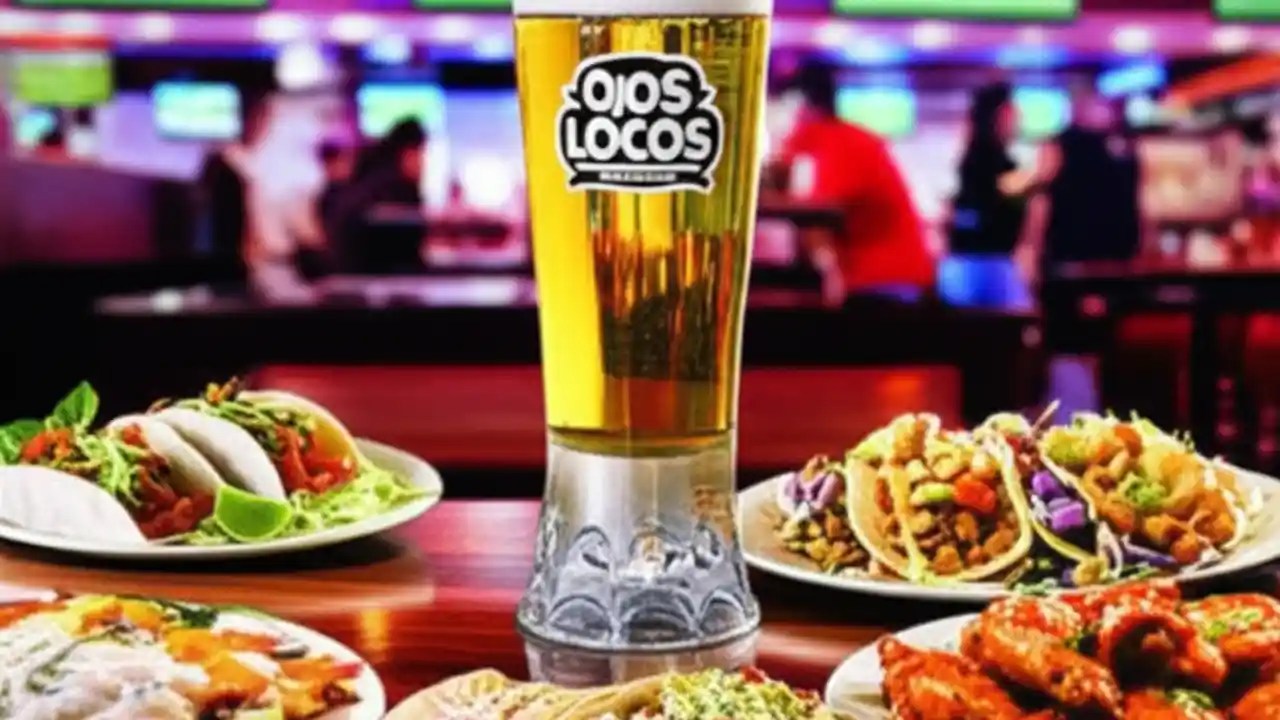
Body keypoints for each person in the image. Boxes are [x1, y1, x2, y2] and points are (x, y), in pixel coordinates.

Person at [774, 61, 934, 307]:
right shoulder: (834, 142)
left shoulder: (839, 144)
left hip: (888, 283)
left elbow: (819, 220)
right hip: (885, 281)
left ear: (803, 107)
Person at [1020, 83, 1143, 283]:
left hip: (1078, 254)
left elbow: (1041, 198)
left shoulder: (1060, 145)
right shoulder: (1123, 146)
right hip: (1102, 255)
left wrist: (1030, 247)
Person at [941, 81, 1036, 309]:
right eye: (1012, 114)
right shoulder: (988, 161)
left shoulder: (975, 159)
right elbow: (1002, 197)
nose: (1017, 121)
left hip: (969, 263)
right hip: (988, 265)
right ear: (998, 116)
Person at [331, 119, 427, 271]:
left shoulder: (365, 182)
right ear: (406, 153)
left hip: (352, 279)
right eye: (421, 154)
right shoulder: (393, 189)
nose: (423, 164)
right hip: (379, 282)